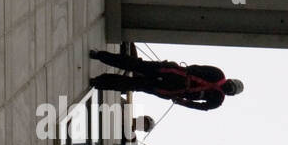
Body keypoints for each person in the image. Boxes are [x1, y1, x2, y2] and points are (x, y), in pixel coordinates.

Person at [89, 48, 242, 111]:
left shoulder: (218, 74)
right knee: (135, 85)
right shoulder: (217, 101)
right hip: (172, 90)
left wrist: (179, 69)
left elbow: (196, 68)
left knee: (135, 65)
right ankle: (97, 82)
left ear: (231, 81)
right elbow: (199, 107)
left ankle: (99, 56)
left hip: (173, 73)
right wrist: (181, 101)